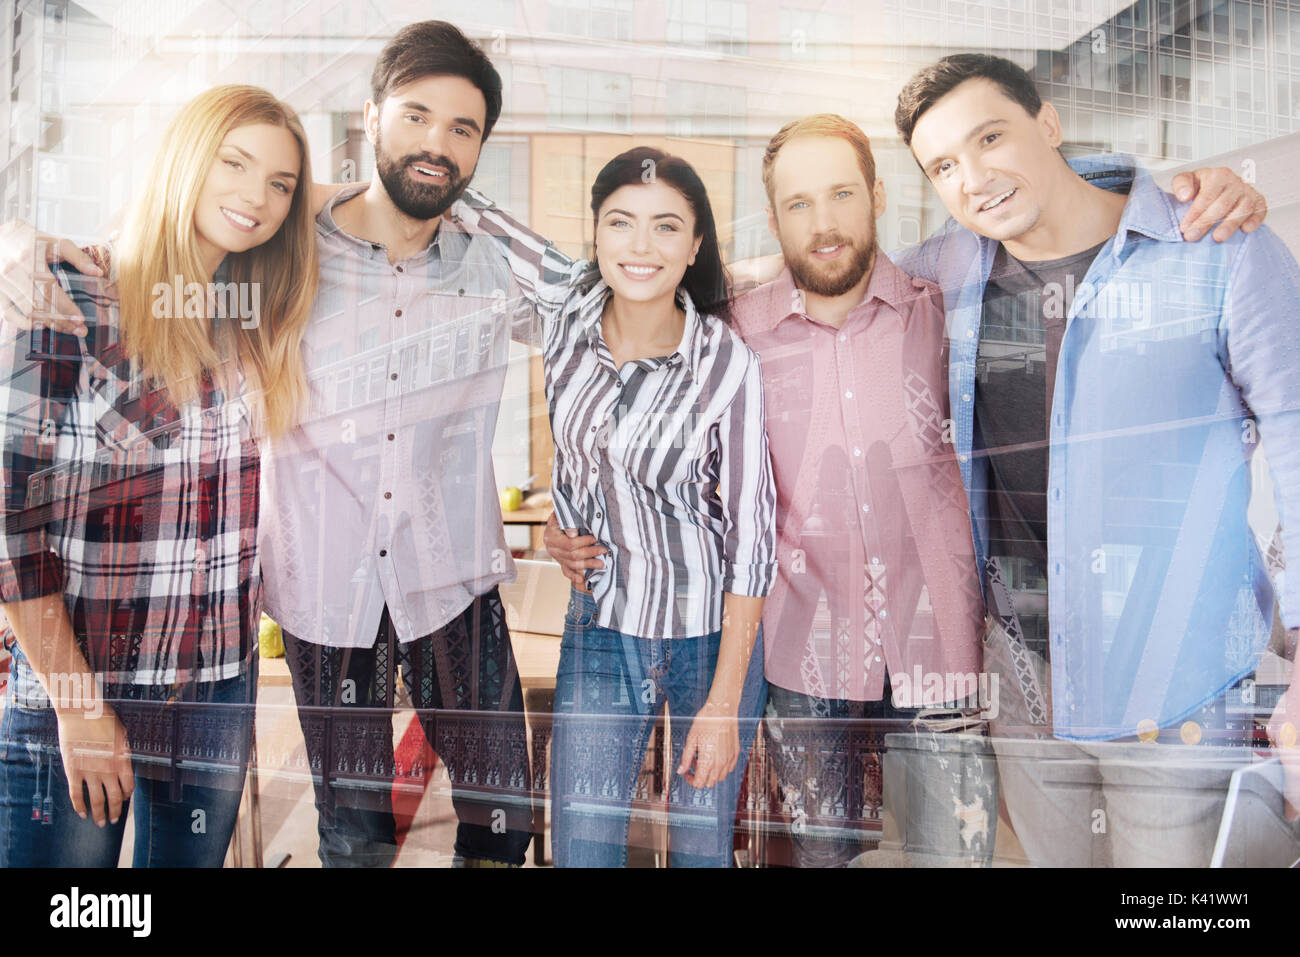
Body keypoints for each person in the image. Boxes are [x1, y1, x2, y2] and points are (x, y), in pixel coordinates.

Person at [894, 53, 1300, 866]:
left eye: (990, 137)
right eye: (944, 165)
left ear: (1047, 124)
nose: (973, 177)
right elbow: (817, 299)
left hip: (1177, 691)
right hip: (1025, 690)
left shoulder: (1215, 245)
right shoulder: (946, 270)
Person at [0, 83, 318, 867]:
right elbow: (10, 525)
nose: (257, 196)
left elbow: (370, 203)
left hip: (215, 686)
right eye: (233, 162)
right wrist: (78, 708)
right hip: (79, 685)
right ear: (183, 160)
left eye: (280, 183)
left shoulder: (251, 323)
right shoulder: (71, 295)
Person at [457, 146, 776, 867]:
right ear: (595, 234)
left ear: (695, 245)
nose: (641, 246)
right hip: (601, 628)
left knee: (700, 853)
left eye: (666, 227)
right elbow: (466, 207)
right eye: (621, 223)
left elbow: (754, 537)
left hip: (710, 641)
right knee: (583, 851)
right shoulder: (568, 307)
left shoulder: (725, 359)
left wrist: (724, 703)